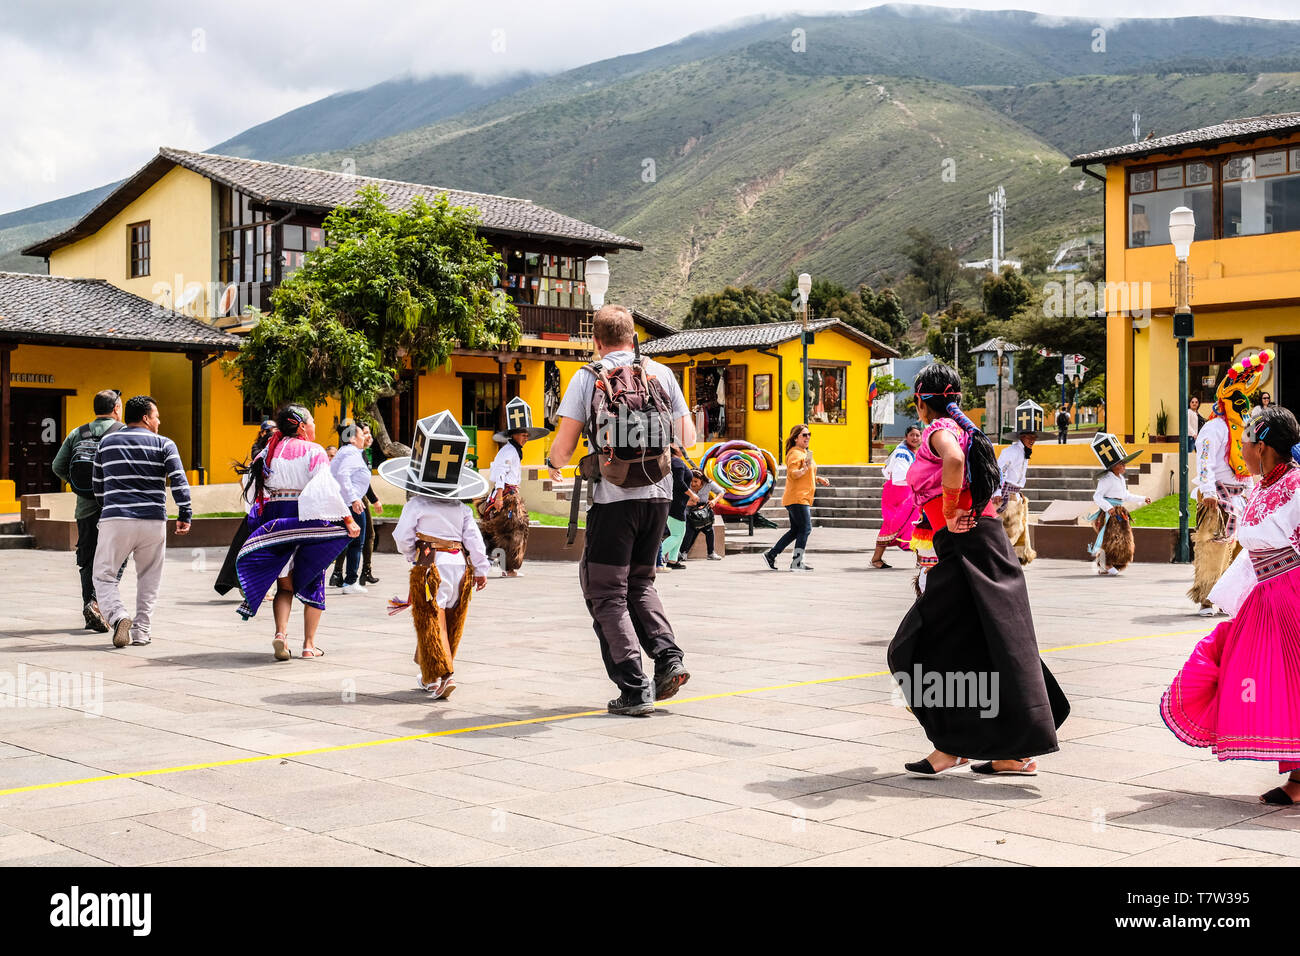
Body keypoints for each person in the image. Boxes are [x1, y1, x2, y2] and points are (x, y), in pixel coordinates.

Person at [888, 363, 1069, 777]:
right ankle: (985, 751)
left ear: (921, 400)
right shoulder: (961, 428)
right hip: (975, 545)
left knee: (909, 648)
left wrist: (950, 508)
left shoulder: (939, 431)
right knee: (983, 647)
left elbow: (951, 461)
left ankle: (968, 745)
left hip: (969, 546)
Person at [545, 303, 694, 716]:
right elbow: (690, 437)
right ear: (633, 336)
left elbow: (563, 447)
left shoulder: (587, 377)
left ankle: (634, 687)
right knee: (642, 582)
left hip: (614, 500)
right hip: (660, 494)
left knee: (606, 592)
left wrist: (554, 462)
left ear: (595, 341)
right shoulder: (660, 373)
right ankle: (669, 659)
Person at [1160, 405, 1300, 805]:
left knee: (1291, 681)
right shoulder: (1261, 487)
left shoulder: (1296, 485)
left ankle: (1299, 778)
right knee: (1268, 680)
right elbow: (1254, 551)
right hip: (1267, 595)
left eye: (1246, 444)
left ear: (1265, 446)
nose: (1242, 452)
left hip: (1292, 594)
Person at [235, 404, 359, 660]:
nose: (314, 426)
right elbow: (325, 489)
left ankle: (281, 634)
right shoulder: (314, 451)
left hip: (275, 517)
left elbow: (250, 484)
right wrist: (347, 519)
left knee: (284, 584)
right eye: (312, 421)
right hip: (305, 515)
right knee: (314, 578)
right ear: (302, 425)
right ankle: (309, 645)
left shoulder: (269, 451)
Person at [382, 411, 492, 700]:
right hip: (459, 567)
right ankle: (428, 673)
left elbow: (402, 537)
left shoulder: (417, 505)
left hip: (431, 568)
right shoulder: (461, 509)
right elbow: (474, 541)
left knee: (432, 621)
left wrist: (411, 556)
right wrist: (481, 569)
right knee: (450, 622)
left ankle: (445, 675)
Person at [91, 395, 192, 648]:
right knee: (149, 577)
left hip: (116, 519)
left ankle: (118, 615)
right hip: (153, 521)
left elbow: (98, 485)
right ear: (146, 418)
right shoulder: (164, 444)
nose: (159, 420)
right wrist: (184, 514)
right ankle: (142, 632)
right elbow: (179, 481)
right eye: (156, 416)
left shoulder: (106, 443)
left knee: (104, 575)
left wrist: (110, 508)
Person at [1190, 351, 1271, 615]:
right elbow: (1204, 462)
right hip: (1218, 498)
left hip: (1241, 497)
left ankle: (1230, 598)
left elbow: (1251, 465)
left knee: (1240, 553)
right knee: (1213, 550)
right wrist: (1208, 491)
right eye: (1237, 400)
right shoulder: (1213, 429)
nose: (1242, 405)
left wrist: (1253, 490)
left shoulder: (1246, 431)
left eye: (1244, 400)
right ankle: (1207, 598)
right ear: (1225, 402)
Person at [51, 388, 124, 632]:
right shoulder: (123, 432)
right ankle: (97, 604)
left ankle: (89, 607)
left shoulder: (77, 432)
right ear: (116, 409)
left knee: (87, 559)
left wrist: (77, 486)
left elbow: (58, 466)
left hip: (84, 507)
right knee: (116, 557)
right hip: (113, 507)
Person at [479, 397, 549, 578]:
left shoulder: (513, 451)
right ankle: (507, 568)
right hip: (506, 496)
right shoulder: (508, 451)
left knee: (508, 530)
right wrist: (500, 497)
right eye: (523, 435)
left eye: (527, 435)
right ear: (514, 435)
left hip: (510, 494)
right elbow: (500, 474)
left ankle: (505, 568)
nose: (526, 438)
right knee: (512, 531)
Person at [215, 419, 276, 596]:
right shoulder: (259, 458)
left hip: (264, 512)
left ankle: (256, 585)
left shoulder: (272, 460)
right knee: (256, 550)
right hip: (261, 513)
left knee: (261, 550)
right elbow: (248, 488)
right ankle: (250, 584)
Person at [763, 424, 830, 572]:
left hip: (800, 498)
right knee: (806, 529)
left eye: (809, 434)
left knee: (795, 530)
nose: (807, 437)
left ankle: (771, 555)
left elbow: (805, 474)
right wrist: (805, 469)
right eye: (804, 435)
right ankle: (797, 562)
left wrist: (818, 479)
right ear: (795, 438)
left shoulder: (803, 453)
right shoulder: (795, 454)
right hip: (798, 498)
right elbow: (793, 474)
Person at [1085, 434, 1151, 575]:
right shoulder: (1106, 479)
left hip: (1120, 513)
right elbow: (1097, 496)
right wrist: (1108, 508)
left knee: (1122, 539)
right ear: (1114, 466)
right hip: (1111, 513)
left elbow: (1125, 495)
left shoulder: (1120, 479)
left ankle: (1112, 564)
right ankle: (1105, 565)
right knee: (1110, 539)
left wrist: (1142, 498)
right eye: (1121, 463)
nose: (1124, 466)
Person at [330, 421, 373, 594]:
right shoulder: (351, 453)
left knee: (345, 542)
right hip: (350, 505)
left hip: (345, 502)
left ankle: (348, 580)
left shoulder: (346, 452)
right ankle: (350, 582)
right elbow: (343, 475)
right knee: (356, 542)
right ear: (353, 438)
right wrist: (355, 499)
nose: (364, 438)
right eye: (362, 435)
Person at [994, 404, 1039, 566]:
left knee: (1020, 529)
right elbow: (998, 470)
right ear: (1021, 437)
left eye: (1034, 438)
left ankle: (1015, 559)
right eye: (1029, 437)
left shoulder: (1025, 453)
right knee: (1013, 529)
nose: (1032, 440)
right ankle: (1001, 558)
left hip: (1018, 495)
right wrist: (997, 491)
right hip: (1007, 494)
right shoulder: (1010, 452)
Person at [871, 425, 921, 569]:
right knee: (892, 525)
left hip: (906, 493)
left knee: (914, 525)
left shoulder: (911, 451)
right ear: (906, 437)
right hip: (898, 494)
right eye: (912, 435)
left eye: (917, 435)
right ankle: (876, 559)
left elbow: (888, 471)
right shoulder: (902, 453)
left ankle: (921, 559)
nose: (915, 438)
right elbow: (899, 476)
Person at [676, 470, 722, 562]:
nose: (693, 484)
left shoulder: (709, 484)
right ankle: (683, 553)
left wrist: (714, 501)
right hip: (689, 511)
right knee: (690, 531)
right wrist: (687, 503)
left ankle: (711, 553)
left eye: (695, 481)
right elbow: (678, 496)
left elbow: (721, 492)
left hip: (704, 511)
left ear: (701, 480)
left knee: (709, 530)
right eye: (691, 481)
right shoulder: (686, 484)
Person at [662, 445, 692, 571]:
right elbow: (679, 482)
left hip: (676, 501)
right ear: (675, 449)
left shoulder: (673, 461)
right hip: (677, 502)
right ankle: (654, 558)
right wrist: (692, 494)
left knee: (680, 533)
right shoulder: (677, 462)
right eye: (680, 447)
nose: (683, 449)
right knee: (677, 534)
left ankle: (673, 560)